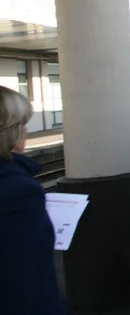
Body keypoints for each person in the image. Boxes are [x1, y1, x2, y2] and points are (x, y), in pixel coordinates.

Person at [0, 86, 67, 315]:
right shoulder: (19, 192)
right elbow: (20, 282)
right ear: (9, 132)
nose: (26, 130)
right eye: (22, 124)